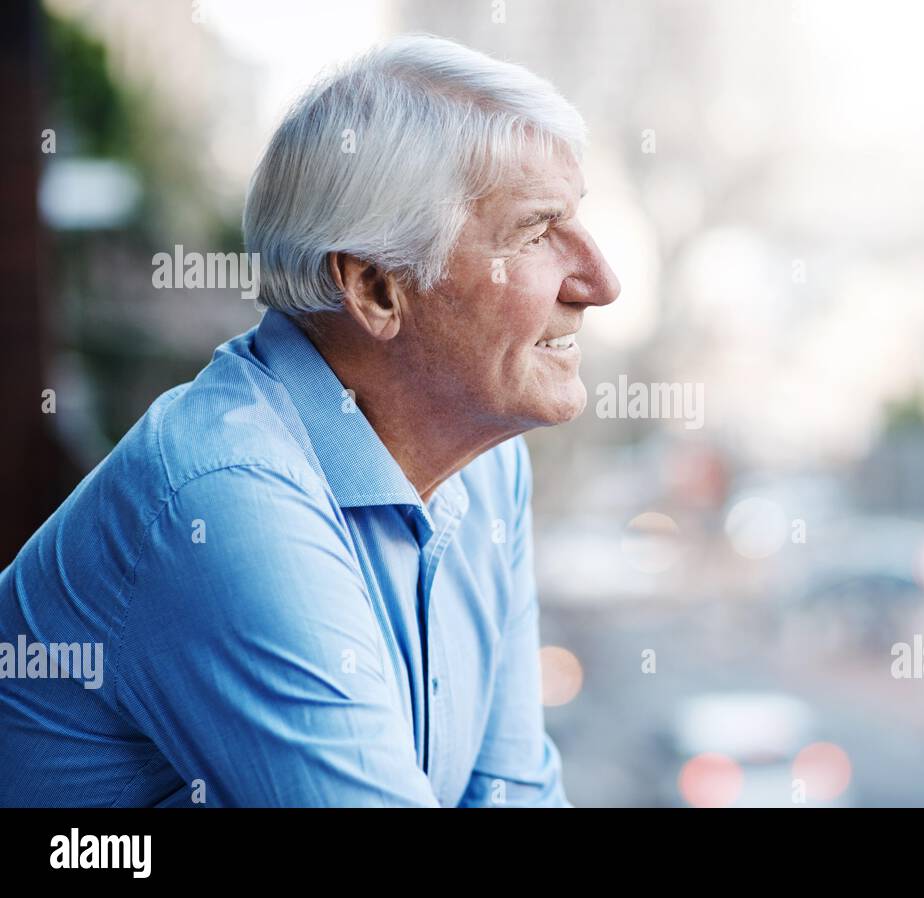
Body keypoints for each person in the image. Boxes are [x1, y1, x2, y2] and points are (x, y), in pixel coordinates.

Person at [0, 33, 620, 807]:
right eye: (535, 231)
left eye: (579, 222)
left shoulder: (487, 460)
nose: (601, 281)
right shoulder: (225, 498)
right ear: (374, 290)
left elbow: (510, 793)